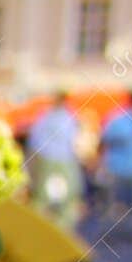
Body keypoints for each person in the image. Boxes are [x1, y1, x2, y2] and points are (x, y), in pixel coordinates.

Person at [27, 92, 83, 226]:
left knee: (50, 197)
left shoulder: (50, 117)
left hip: (54, 160)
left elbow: (34, 141)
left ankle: (54, 228)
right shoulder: (61, 117)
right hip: (58, 160)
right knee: (56, 197)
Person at [98, 92, 132, 217]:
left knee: (117, 203)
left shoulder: (119, 117)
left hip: (122, 166)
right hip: (126, 166)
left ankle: (118, 226)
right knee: (128, 203)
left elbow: (104, 140)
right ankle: (127, 227)